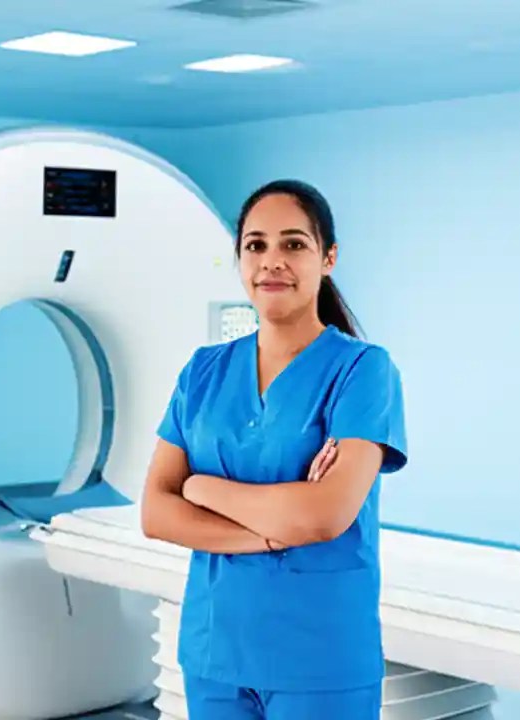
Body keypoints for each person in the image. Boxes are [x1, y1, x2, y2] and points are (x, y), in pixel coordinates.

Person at [140, 179, 408, 719]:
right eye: (256, 245)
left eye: (294, 244)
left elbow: (324, 515)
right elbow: (155, 512)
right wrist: (271, 530)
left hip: (320, 653)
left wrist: (202, 486)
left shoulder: (362, 370)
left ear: (328, 257)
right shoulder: (204, 371)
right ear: (240, 259)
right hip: (216, 646)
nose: (272, 261)